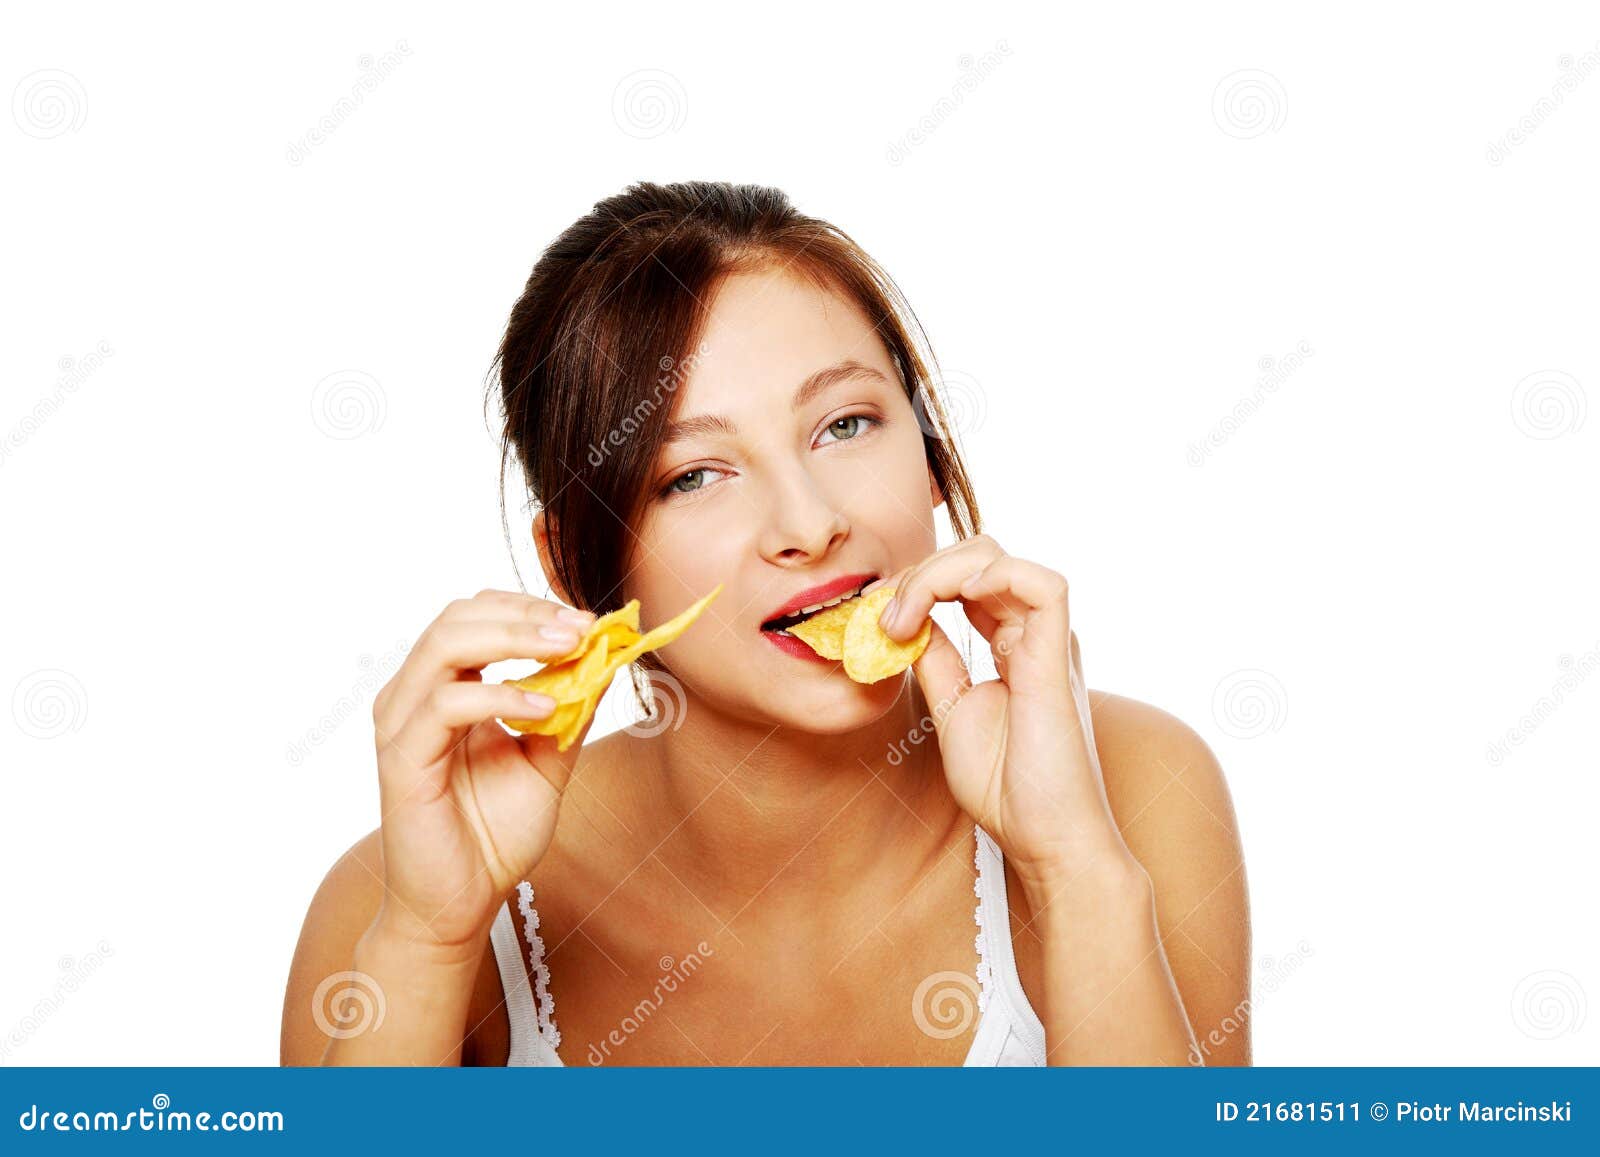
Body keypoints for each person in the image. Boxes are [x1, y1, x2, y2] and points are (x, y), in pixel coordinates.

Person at [280, 180, 1250, 1067]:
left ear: (929, 450)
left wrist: (1075, 871)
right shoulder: (396, 902)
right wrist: (428, 941)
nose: (809, 523)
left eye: (845, 424)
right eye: (695, 475)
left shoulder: (1135, 790)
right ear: (577, 562)